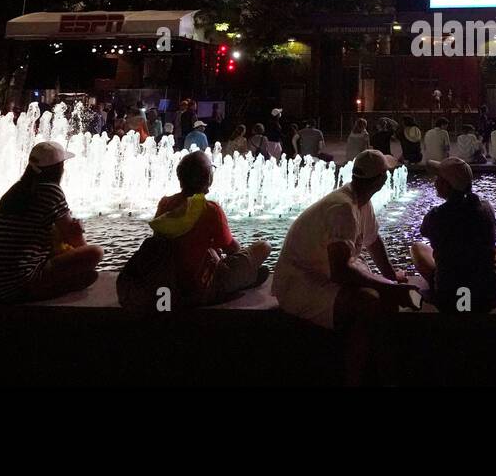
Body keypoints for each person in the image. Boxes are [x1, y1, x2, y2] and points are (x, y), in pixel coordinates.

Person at [272, 150, 418, 384]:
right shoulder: (343, 209)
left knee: (376, 300)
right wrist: (389, 287)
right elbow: (341, 270)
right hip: (299, 282)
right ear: (380, 181)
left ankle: (367, 375)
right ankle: (366, 378)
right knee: (370, 302)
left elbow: (373, 241)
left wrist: (390, 278)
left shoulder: (360, 200)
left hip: (321, 274)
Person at [0, 142, 104, 302]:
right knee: (96, 253)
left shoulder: (15, 191)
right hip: (16, 287)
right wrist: (78, 231)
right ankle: (44, 291)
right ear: (59, 168)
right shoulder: (51, 191)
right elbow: (76, 241)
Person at [149, 153, 271, 306]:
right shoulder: (211, 209)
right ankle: (245, 279)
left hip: (170, 282)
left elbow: (161, 241)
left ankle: (246, 277)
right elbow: (233, 248)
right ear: (208, 178)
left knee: (219, 257)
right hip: (203, 286)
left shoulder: (165, 204)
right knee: (264, 247)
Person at [411, 157, 496, 314]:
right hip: (487, 297)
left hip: (448, 297)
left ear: (446, 185)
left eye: (438, 179)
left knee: (417, 248)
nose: (435, 182)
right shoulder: (485, 208)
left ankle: (435, 283)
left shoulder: (436, 215)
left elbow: (425, 232)